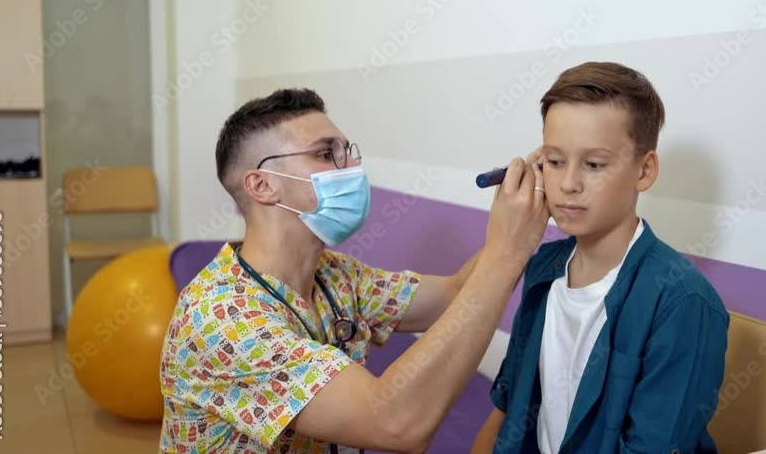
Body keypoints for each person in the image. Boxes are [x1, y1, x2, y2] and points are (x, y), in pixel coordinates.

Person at [158, 88, 551, 453]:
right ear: (262, 185)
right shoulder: (221, 319)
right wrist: (505, 251)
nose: (352, 167)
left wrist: (520, 217)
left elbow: (455, 295)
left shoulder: (334, 275)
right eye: (326, 154)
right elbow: (394, 425)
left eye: (347, 151)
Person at [472, 62, 730, 453]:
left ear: (644, 171)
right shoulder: (542, 267)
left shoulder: (683, 304)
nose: (569, 184)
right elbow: (510, 406)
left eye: (593, 165)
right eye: (555, 161)